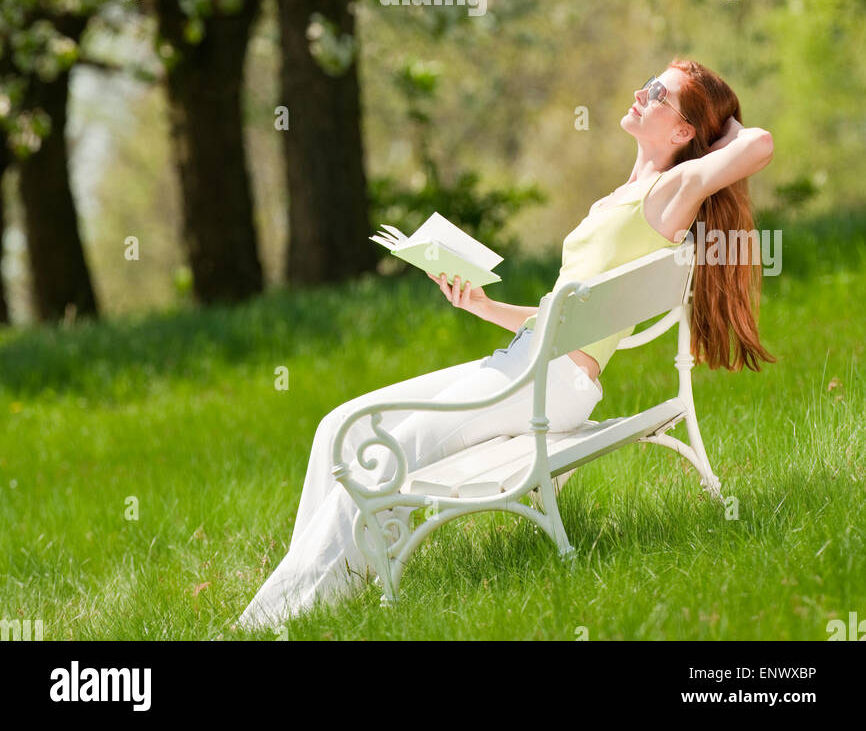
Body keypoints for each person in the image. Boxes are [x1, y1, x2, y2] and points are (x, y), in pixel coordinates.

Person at [236, 57, 775, 631]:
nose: (640, 94)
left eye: (657, 94)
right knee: (341, 425)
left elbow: (759, 144)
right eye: (645, 84)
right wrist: (485, 306)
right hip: (533, 367)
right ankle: (320, 596)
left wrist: (728, 125)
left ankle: (270, 625)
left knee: (372, 463)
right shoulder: (634, 192)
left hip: (545, 383)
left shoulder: (671, 190)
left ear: (684, 132)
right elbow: (568, 314)